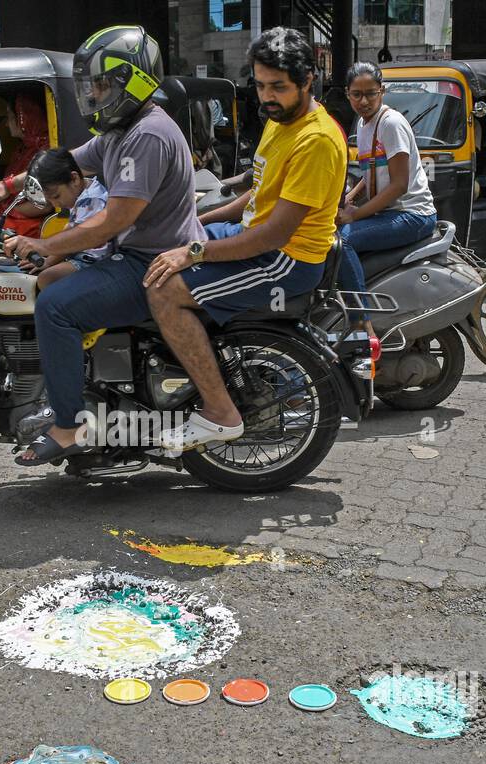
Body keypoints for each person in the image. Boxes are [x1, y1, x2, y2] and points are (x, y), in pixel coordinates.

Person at [3, 25, 205, 465]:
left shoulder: (145, 135)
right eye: (90, 86)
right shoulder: (119, 130)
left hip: (150, 264)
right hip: (134, 256)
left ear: (130, 81)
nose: (93, 95)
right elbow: (68, 161)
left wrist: (41, 246)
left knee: (54, 306)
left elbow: (109, 223)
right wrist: (5, 185)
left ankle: (68, 426)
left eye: (100, 84)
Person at [141, 26, 346, 451]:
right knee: (161, 247)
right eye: (261, 85)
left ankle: (220, 412)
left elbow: (273, 233)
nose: (268, 96)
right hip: (255, 237)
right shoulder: (280, 120)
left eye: (280, 87)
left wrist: (193, 250)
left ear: (308, 81)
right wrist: (196, 219)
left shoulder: (317, 140)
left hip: (284, 259)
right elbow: (259, 194)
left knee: (164, 291)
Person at [335, 62, 437, 329]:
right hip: (392, 212)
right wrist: (349, 198)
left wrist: (354, 214)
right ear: (348, 94)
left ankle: (361, 321)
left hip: (413, 215)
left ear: (382, 91)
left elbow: (398, 185)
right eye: (357, 94)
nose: (364, 101)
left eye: (371, 93)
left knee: (342, 243)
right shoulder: (365, 123)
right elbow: (371, 175)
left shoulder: (391, 123)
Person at [21, 148, 109, 290]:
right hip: (80, 255)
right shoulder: (80, 193)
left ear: (74, 179)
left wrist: (48, 262)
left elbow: (75, 239)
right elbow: (70, 228)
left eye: (56, 196)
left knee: (46, 278)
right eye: (50, 200)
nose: (55, 204)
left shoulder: (91, 199)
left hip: (93, 260)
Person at [0, 92, 49, 237]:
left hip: (30, 222)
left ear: (24, 120)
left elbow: (44, 204)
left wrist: (5, 209)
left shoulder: (45, 151)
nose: (6, 123)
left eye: (10, 117)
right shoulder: (23, 148)